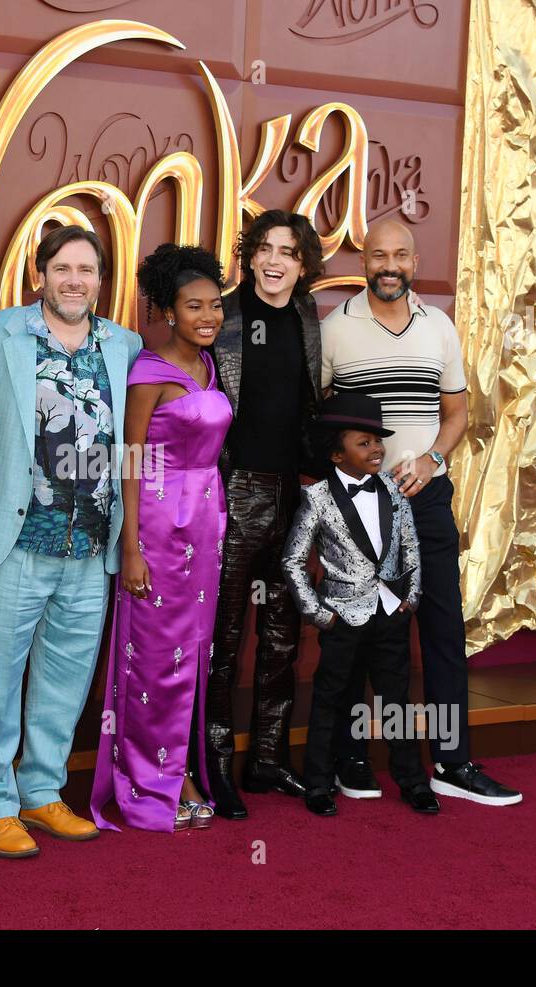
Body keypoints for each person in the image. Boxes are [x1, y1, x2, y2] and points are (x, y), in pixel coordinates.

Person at [320, 219, 521, 805]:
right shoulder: (336, 329)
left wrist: (433, 458)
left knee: (440, 630)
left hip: (426, 498)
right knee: (358, 630)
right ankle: (352, 760)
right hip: (360, 503)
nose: (389, 264)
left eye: (400, 255)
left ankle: (452, 764)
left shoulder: (439, 326)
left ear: (415, 259)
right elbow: (322, 417)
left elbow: (457, 414)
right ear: (363, 260)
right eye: (378, 254)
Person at [0, 225, 143, 857]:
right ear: (39, 273)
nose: (74, 280)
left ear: (101, 280)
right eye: (62, 268)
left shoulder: (124, 345)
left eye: (87, 270)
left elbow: (134, 445)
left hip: (91, 546)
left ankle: (41, 792)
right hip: (15, 542)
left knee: (65, 682)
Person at [90, 244, 232, 833]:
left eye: (216, 306)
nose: (208, 317)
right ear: (168, 313)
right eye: (193, 307)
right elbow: (130, 460)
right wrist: (130, 546)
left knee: (192, 656)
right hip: (157, 524)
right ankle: (152, 780)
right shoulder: (148, 371)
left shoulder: (208, 366)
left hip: (206, 524)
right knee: (153, 660)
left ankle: (181, 772)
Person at [206, 209, 324, 819]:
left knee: (283, 634)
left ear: (303, 266)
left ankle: (270, 760)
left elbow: (307, 405)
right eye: (265, 249)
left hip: (293, 490)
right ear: (249, 256)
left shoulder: (307, 317)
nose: (274, 261)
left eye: (288, 252)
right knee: (224, 638)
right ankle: (215, 764)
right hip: (233, 492)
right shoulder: (220, 315)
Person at [283, 392, 439, 817]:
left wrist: (412, 596)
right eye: (364, 443)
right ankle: (318, 782)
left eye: (378, 441)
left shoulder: (392, 487)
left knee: (397, 700)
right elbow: (293, 560)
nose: (376, 449)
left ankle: (412, 779)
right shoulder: (316, 499)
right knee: (329, 699)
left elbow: (410, 544)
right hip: (342, 616)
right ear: (337, 454)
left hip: (391, 611)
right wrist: (316, 612)